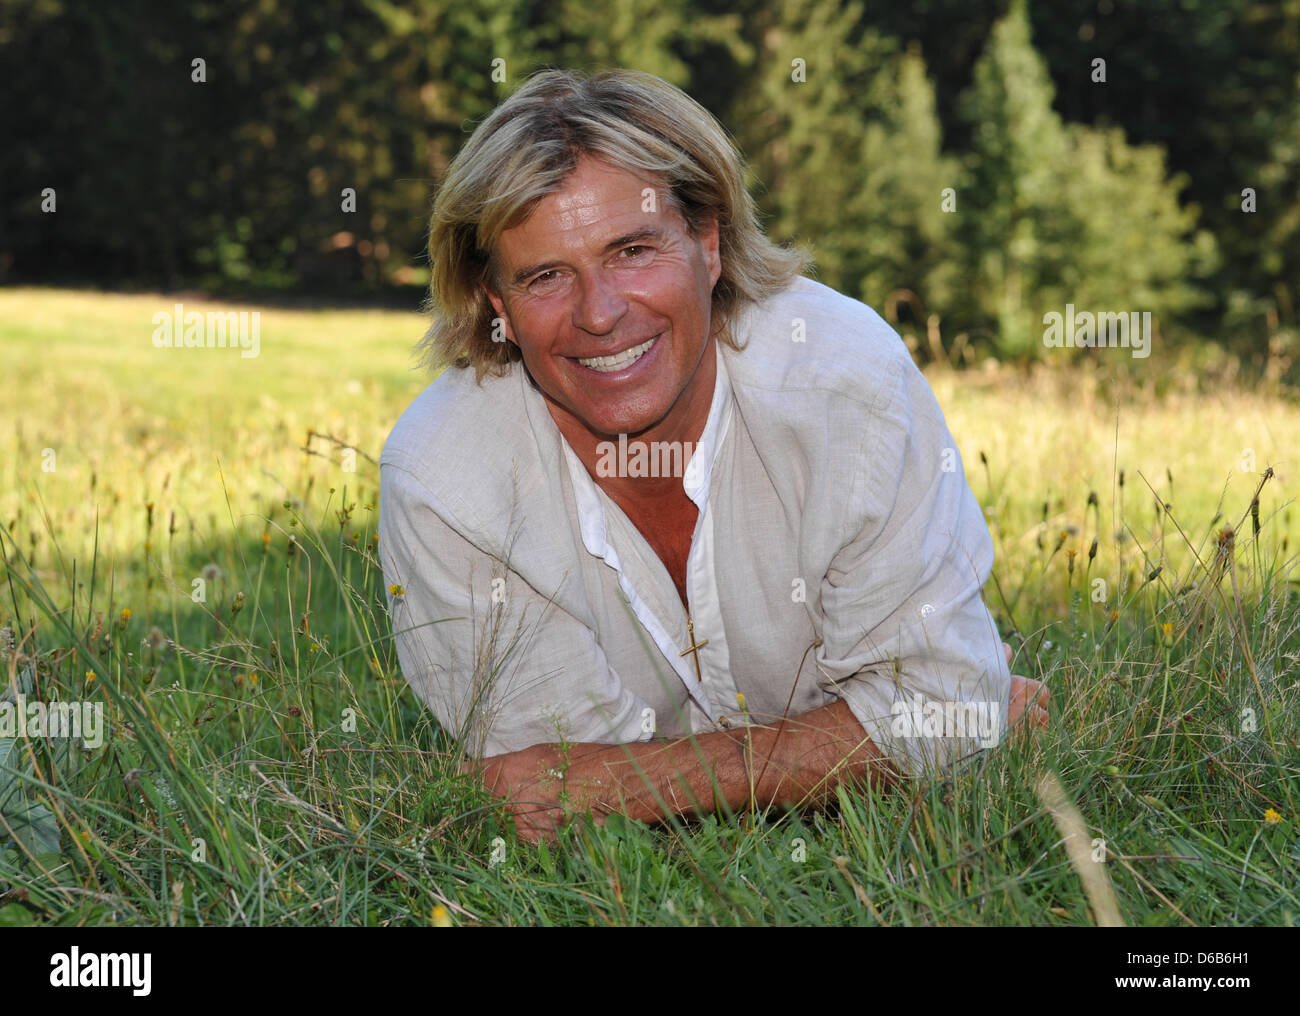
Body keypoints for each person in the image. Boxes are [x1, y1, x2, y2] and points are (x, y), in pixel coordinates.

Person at [379, 68, 1048, 843]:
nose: (599, 314)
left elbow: (589, 787)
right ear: (497, 305)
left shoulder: (843, 383)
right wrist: (878, 735)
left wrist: (636, 779)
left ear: (709, 242)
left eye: (632, 249)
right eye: (545, 276)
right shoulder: (444, 483)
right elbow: (548, 796)